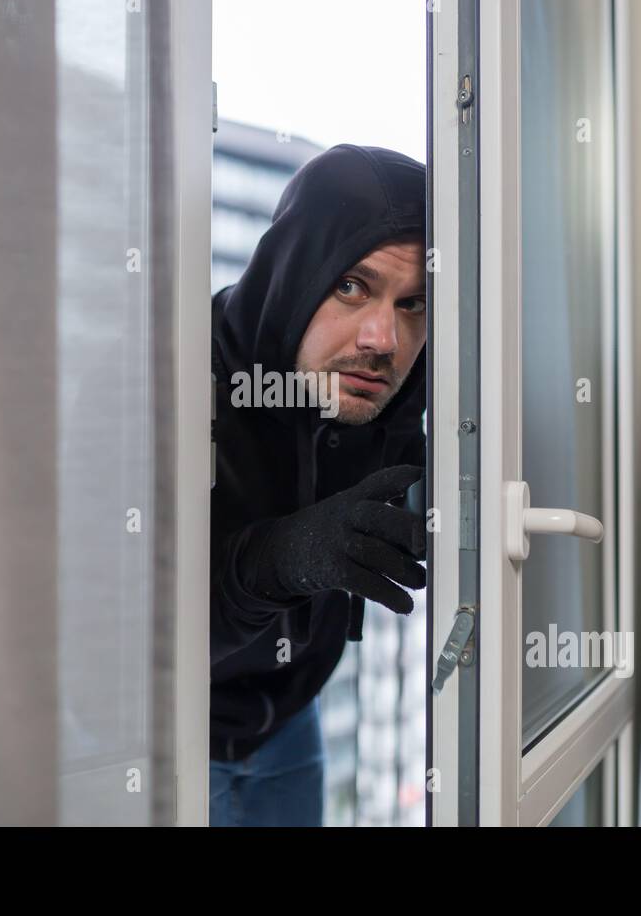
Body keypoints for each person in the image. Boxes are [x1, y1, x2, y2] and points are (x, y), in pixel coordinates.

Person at [209, 144, 428, 826]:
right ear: (293, 272)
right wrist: (279, 559)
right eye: (353, 286)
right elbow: (122, 634)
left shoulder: (395, 399)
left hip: (291, 719)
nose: (382, 337)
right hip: (163, 727)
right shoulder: (171, 380)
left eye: (414, 303)